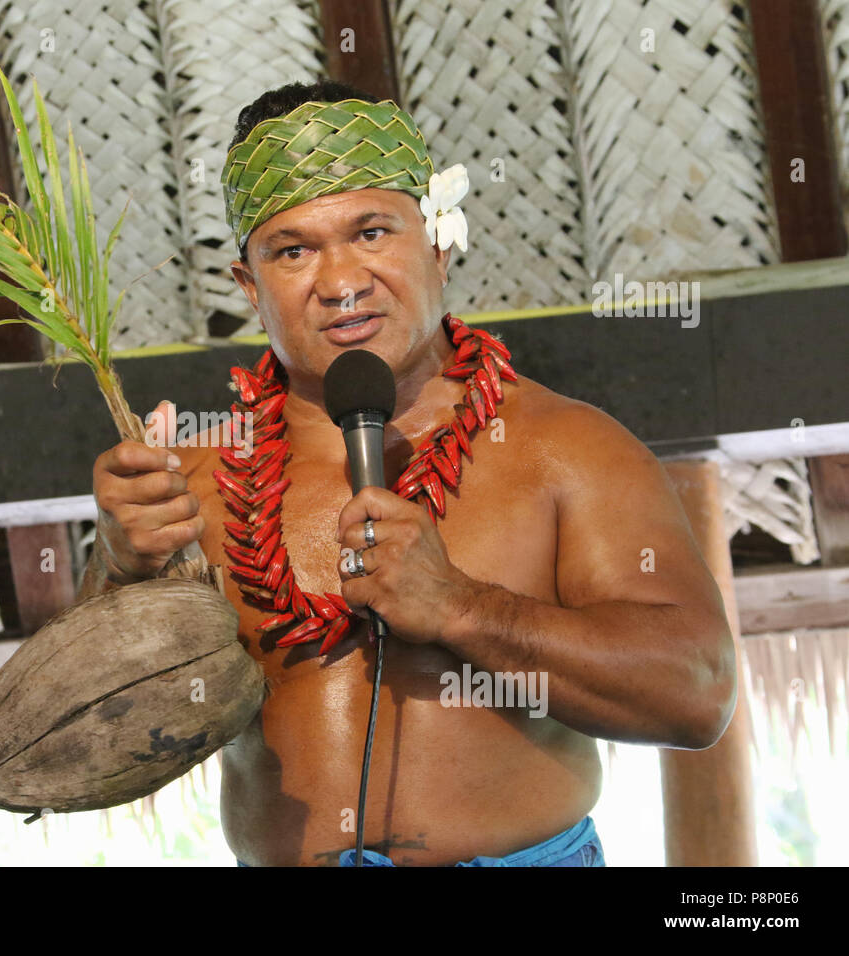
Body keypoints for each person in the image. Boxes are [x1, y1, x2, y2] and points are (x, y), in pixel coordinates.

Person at [78, 80, 736, 866]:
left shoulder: (565, 447)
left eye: (371, 232)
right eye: (293, 250)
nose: (341, 281)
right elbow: (86, 735)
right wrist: (119, 569)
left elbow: (695, 693)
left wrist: (462, 608)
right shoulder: (190, 479)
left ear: (437, 242)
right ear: (250, 287)